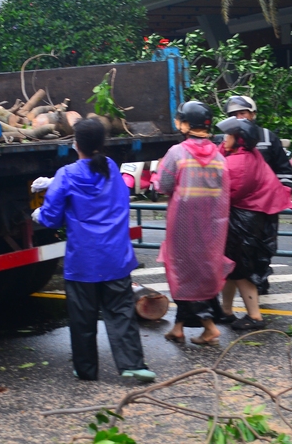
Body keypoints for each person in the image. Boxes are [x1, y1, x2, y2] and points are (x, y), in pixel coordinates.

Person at [32, 120, 155, 384]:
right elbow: (103, 186)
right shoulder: (110, 167)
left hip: (83, 262)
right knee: (121, 312)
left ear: (75, 144)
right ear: (102, 144)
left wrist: (39, 212)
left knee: (82, 319)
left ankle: (86, 370)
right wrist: (54, 182)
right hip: (116, 257)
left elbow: (51, 218)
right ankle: (132, 364)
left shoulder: (67, 174)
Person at [156, 100, 233, 345]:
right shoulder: (220, 157)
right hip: (211, 227)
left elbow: (164, 185)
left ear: (187, 124)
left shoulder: (177, 153)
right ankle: (178, 328)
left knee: (184, 274)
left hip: (183, 226)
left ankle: (209, 327)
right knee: (200, 273)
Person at [216, 117, 292, 331]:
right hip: (250, 216)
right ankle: (226, 310)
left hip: (243, 220)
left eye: (229, 135)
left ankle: (255, 316)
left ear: (240, 139)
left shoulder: (238, 163)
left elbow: (226, 193)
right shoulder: (245, 155)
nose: (224, 139)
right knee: (231, 267)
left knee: (240, 269)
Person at [224, 95, 292, 189]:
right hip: (237, 198)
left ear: (253, 114)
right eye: (234, 115)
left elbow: (284, 169)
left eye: (243, 113)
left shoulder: (268, 136)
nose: (239, 118)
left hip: (266, 197)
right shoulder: (226, 141)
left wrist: (284, 192)